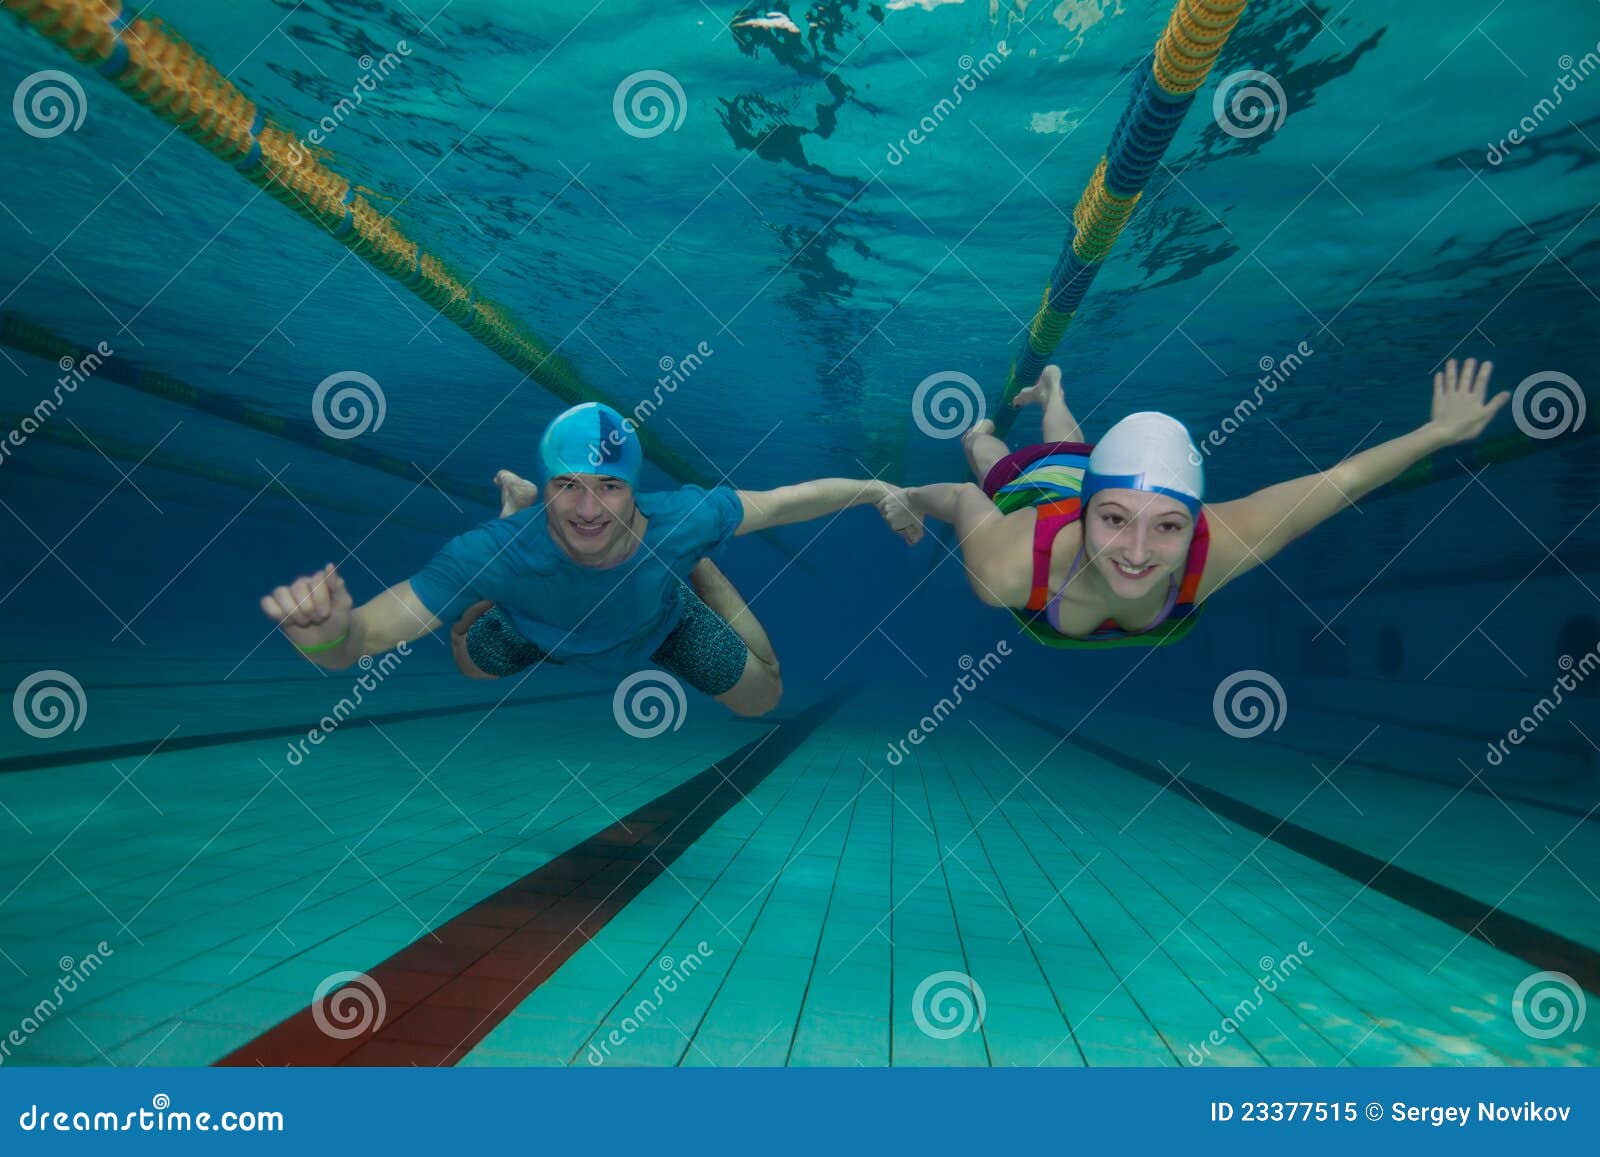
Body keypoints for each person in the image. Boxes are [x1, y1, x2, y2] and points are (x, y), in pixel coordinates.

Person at [261, 402, 918, 715]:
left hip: (662, 623)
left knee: (763, 696)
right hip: (534, 624)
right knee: (470, 664)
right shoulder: (492, 555)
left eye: (609, 486)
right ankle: (514, 512)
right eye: (565, 485)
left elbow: (786, 501)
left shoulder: (678, 517)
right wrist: (327, 640)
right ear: (549, 485)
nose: (587, 509)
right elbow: (368, 635)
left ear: (634, 488)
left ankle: (696, 571)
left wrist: (877, 490)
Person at [884, 358, 1508, 647]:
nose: (1136, 553)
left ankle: (1053, 389)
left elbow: (1341, 483)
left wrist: (1437, 434)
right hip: (1042, 491)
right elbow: (966, 497)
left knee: (1073, 449)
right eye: (1115, 523)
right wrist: (907, 498)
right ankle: (1029, 406)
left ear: (1194, 525)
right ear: (1088, 514)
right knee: (988, 455)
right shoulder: (1009, 566)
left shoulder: (1219, 548)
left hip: (1094, 478)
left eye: (1169, 527)